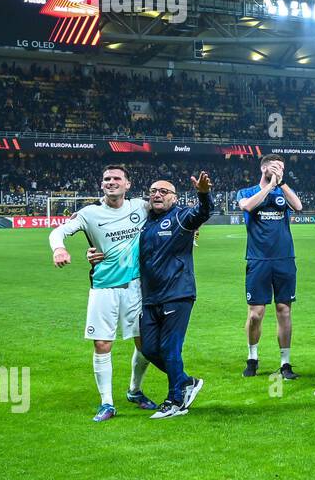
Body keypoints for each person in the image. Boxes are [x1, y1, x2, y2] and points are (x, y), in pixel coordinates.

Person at [49, 165, 156, 422]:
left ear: (128, 184)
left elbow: (169, 211)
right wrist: (59, 249)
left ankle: (135, 390)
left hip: (135, 287)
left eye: (117, 178)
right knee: (102, 343)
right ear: (101, 184)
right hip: (103, 287)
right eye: (107, 179)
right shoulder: (89, 213)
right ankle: (106, 402)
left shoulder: (140, 207)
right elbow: (58, 231)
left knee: (144, 344)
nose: (111, 182)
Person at [135, 172, 213, 419]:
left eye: (164, 191)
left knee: (170, 348)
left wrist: (203, 193)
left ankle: (175, 401)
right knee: (148, 348)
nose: (157, 194)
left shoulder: (180, 217)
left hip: (177, 293)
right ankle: (185, 381)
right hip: (150, 297)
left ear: (174, 198)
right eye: (153, 191)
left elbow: (203, 213)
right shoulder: (145, 221)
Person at [237, 154, 302, 379]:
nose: (278, 170)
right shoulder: (246, 192)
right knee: (256, 314)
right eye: (274, 166)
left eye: (282, 168)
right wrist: (269, 186)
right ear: (264, 167)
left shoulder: (282, 191)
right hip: (258, 260)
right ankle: (252, 358)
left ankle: (285, 363)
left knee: (284, 311)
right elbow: (247, 206)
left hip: (284, 259)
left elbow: (299, 206)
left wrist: (281, 184)